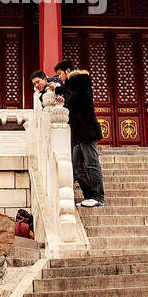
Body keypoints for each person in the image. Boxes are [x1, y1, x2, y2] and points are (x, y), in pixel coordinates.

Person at [54, 59, 106, 208]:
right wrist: (62, 94)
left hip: (87, 129)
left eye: (60, 74)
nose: (60, 78)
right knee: (77, 165)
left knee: (92, 163)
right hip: (77, 131)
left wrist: (59, 89)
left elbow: (73, 96)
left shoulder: (80, 80)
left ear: (68, 71)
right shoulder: (72, 85)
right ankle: (88, 195)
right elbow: (71, 99)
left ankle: (98, 196)